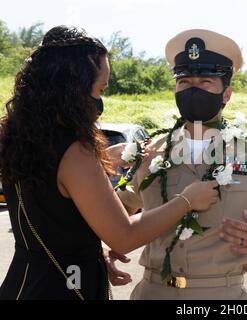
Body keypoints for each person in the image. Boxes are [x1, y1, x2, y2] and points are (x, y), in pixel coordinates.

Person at [0, 26, 219, 300]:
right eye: (100, 88)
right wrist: (186, 201)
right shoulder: (76, 152)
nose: (100, 100)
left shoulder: (17, 135)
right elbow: (124, 237)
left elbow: (52, 214)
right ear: (74, 89)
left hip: (26, 280)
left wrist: (89, 250)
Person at [113, 29, 247, 300]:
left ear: (226, 94)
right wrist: (105, 247)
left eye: (205, 82)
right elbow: (120, 208)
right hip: (152, 291)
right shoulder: (149, 153)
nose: (193, 89)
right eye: (184, 82)